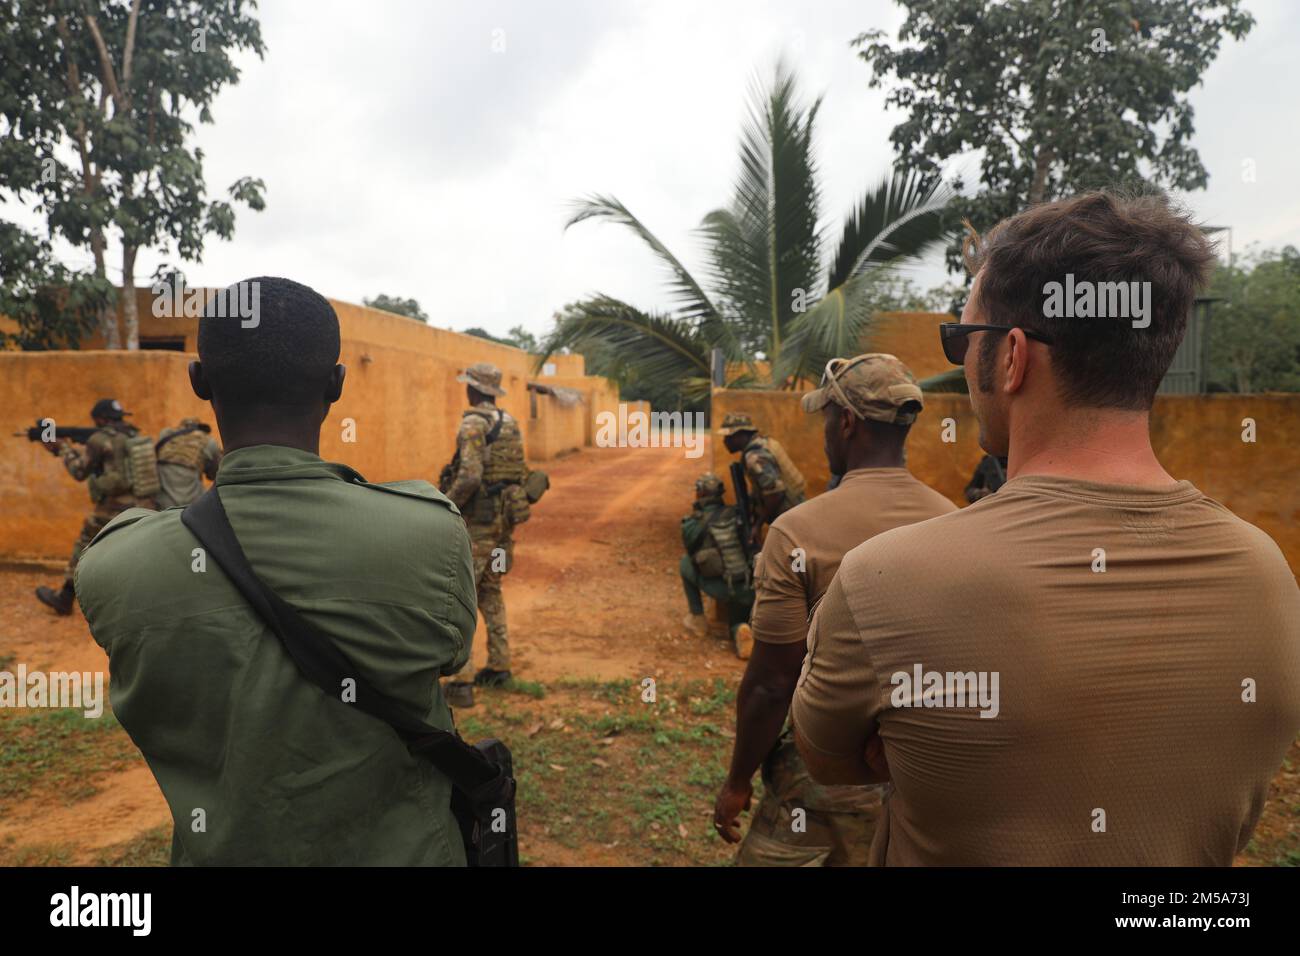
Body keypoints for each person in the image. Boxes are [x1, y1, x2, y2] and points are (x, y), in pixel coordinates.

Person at [792, 191, 1300, 866]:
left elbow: (829, 761)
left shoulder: (885, 581)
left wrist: (925, 745)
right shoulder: (1267, 578)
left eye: (961, 337)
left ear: (1011, 358)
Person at [76, 277, 476, 865]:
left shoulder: (114, 567)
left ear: (200, 382)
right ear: (336, 385)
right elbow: (451, 657)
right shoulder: (431, 536)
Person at [713, 354, 956, 865]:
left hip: (821, 772)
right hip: (922, 773)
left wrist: (737, 780)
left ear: (845, 422)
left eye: (825, 418)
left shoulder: (797, 532)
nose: (824, 432)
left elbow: (772, 683)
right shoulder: (953, 521)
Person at [440, 361, 528, 702]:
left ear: (472, 389)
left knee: (463, 594)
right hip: (504, 524)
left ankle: (461, 683)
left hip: (478, 525)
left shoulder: (473, 424)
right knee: (492, 590)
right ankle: (500, 666)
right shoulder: (511, 423)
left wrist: (446, 504)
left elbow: (471, 476)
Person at [35, 398, 157, 616]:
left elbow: (79, 472)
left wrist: (63, 448)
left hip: (113, 508)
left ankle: (65, 597)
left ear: (100, 419)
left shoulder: (99, 440)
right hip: (143, 506)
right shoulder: (134, 436)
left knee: (84, 544)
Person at [679, 473, 756, 658]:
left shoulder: (692, 524)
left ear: (700, 494)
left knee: (685, 563)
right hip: (751, 587)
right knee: (739, 617)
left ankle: (698, 619)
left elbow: (691, 551)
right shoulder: (739, 514)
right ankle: (741, 629)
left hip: (722, 587)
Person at [718, 413, 805, 539]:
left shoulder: (755, 457)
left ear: (741, 435)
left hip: (790, 520)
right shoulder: (765, 443)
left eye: (729, 436)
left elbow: (776, 494)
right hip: (797, 510)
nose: (725, 441)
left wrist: (757, 526)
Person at [155, 417, 223, 509]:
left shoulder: (165, 437)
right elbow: (216, 473)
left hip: (162, 504)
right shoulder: (208, 440)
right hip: (193, 505)